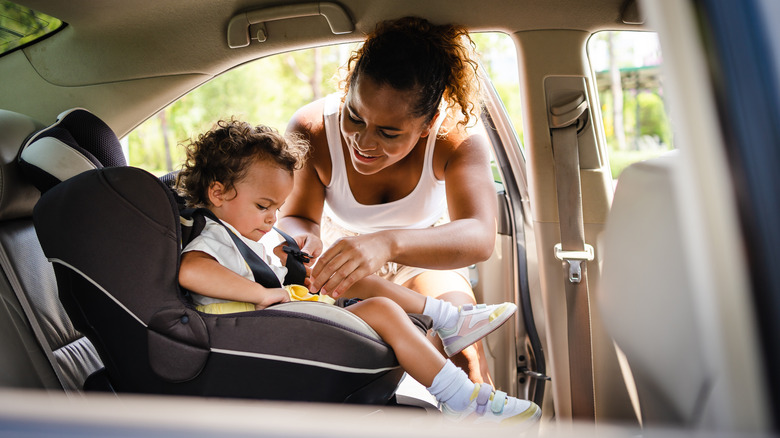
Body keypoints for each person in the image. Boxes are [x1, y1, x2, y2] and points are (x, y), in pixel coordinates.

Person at [174, 119, 540, 424]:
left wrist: (296, 259)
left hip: (276, 317)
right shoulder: (213, 236)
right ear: (218, 193)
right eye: (264, 206)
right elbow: (192, 271)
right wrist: (263, 293)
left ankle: (448, 319)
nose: (273, 218)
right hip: (252, 329)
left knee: (352, 279)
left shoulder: (242, 235)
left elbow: (260, 264)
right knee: (381, 310)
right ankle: (461, 398)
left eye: (277, 207)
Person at [279, 16, 499, 383]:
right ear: (348, 89)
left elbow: (479, 234)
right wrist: (302, 237)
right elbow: (297, 216)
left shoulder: (455, 138)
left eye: (389, 132)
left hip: (425, 255)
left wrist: (386, 243)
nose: (363, 143)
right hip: (339, 258)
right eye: (354, 116)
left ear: (427, 125)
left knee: (464, 354)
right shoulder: (312, 129)